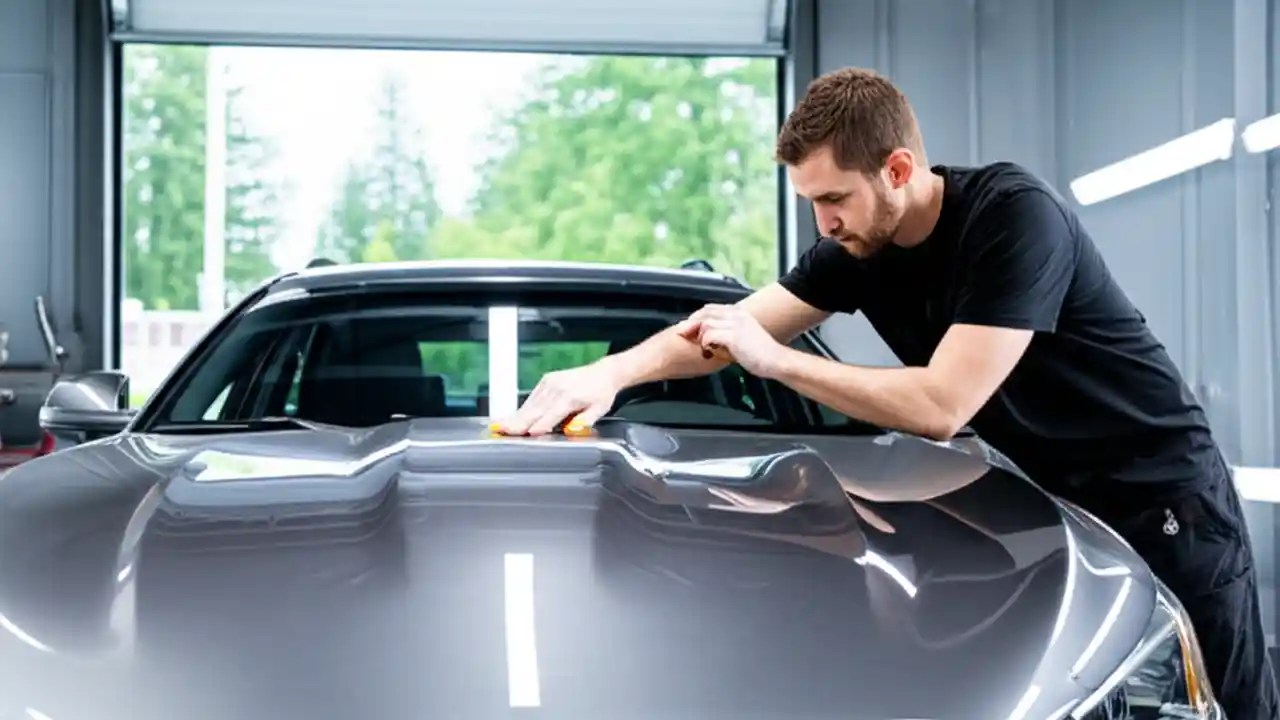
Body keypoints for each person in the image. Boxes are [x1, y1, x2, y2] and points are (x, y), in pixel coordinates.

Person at [494, 66, 1278, 716]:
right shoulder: (857, 247)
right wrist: (609, 374)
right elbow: (725, 331)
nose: (823, 221)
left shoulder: (1014, 218)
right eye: (811, 203)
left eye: (834, 199)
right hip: (1055, 497)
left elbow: (942, 407)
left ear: (897, 169)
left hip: (1161, 490)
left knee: (1216, 697)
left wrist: (779, 362)